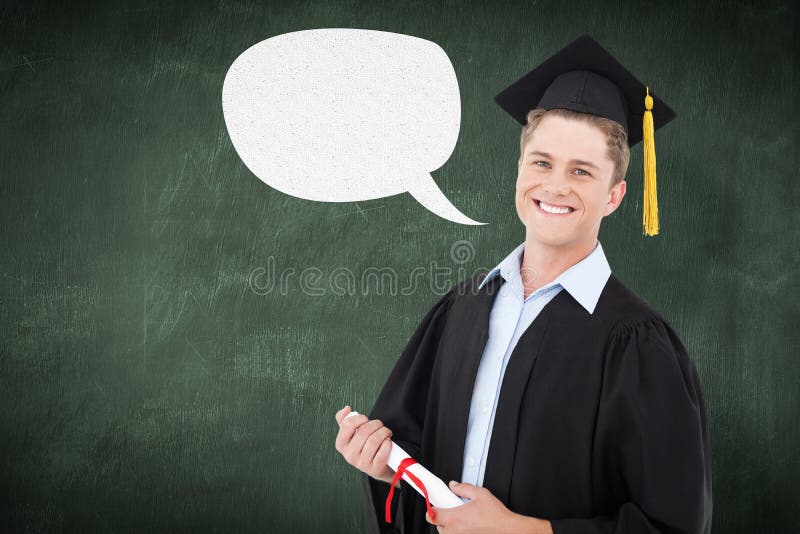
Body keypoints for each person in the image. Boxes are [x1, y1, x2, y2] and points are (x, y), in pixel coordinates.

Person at [334, 34, 713, 534]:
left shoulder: (638, 344)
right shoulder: (460, 310)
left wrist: (523, 530)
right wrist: (389, 469)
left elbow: (674, 526)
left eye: (581, 171)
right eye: (542, 162)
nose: (555, 185)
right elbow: (413, 457)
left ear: (615, 195)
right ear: (519, 171)